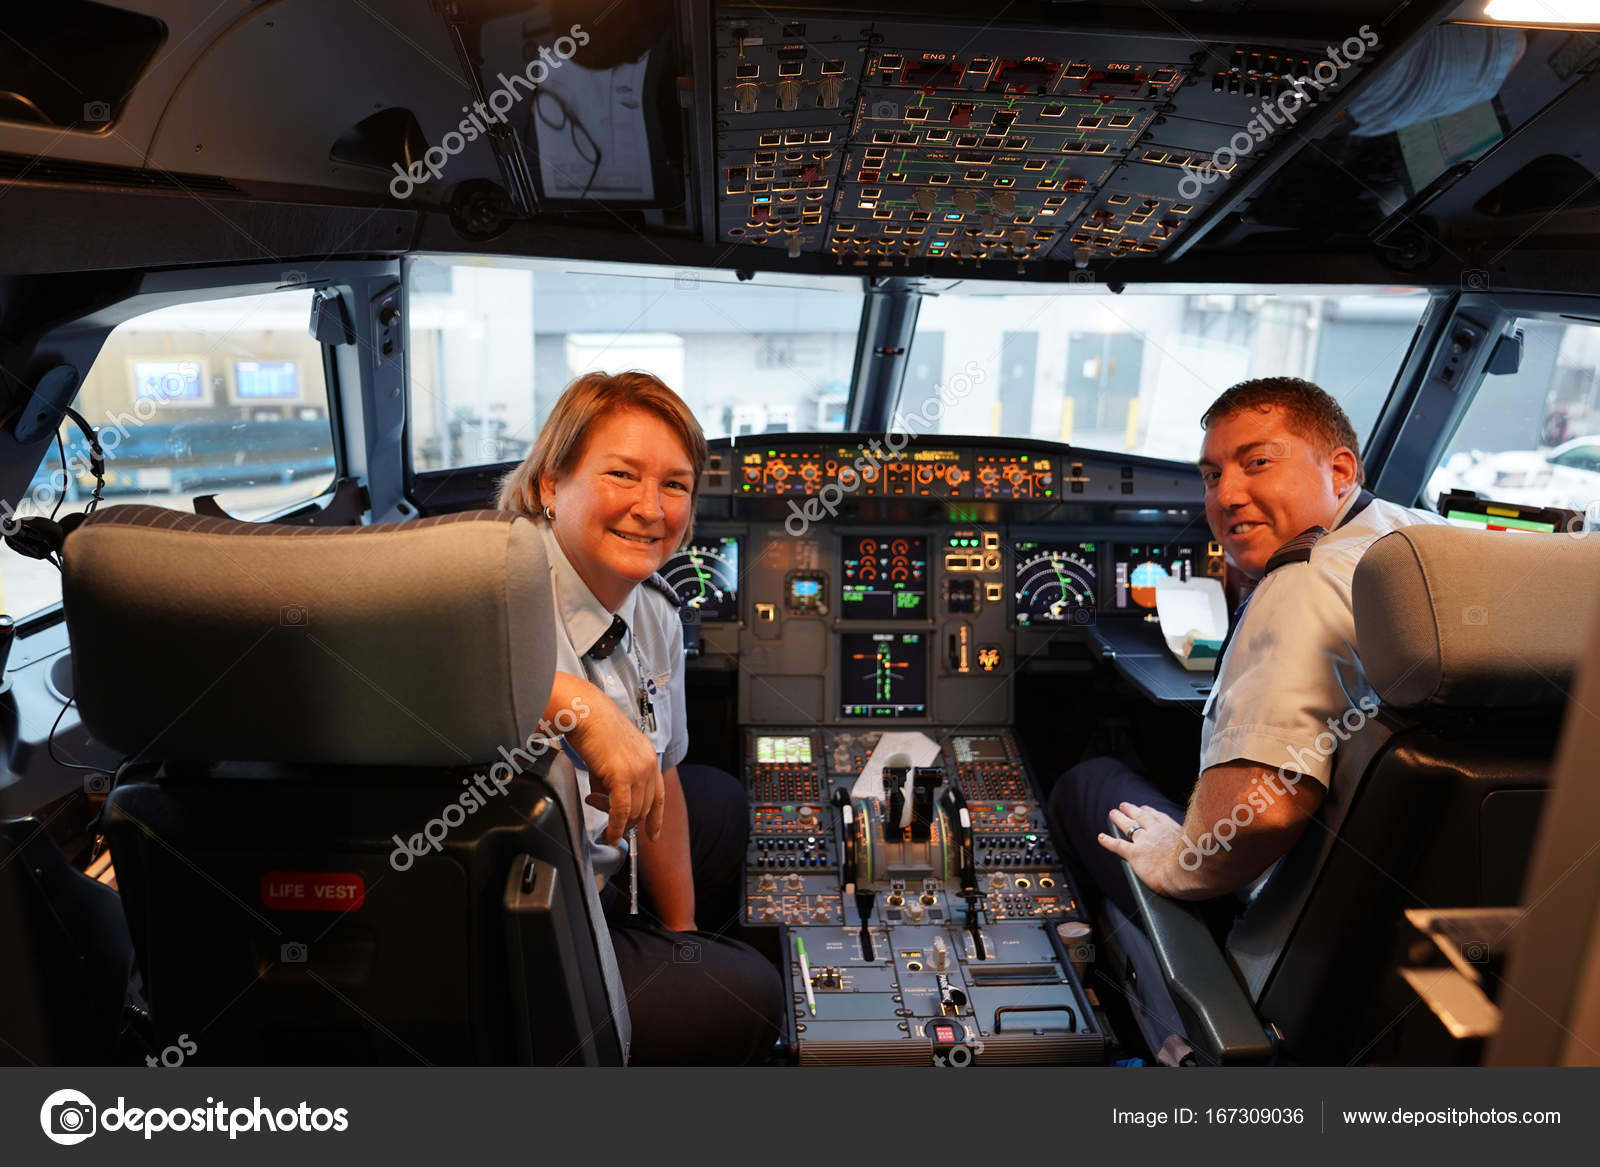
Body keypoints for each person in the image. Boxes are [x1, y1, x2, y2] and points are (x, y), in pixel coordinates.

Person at [1049, 377, 1447, 921]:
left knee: (1085, 781)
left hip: (1266, 919)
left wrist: (1177, 862)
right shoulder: (1427, 535)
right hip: (1398, 905)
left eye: (1257, 463)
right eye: (1212, 476)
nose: (1226, 496)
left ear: (1340, 470)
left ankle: (1102, 973)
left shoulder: (1304, 582)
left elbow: (1261, 813)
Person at [498, 370, 785, 1065]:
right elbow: (433, 658)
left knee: (721, 802)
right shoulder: (492, 586)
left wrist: (681, 937)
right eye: (622, 474)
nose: (650, 508)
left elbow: (664, 772)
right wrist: (578, 702)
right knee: (754, 993)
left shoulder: (653, 611)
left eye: (675, 484)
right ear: (548, 484)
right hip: (520, 918)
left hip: (594, 863)